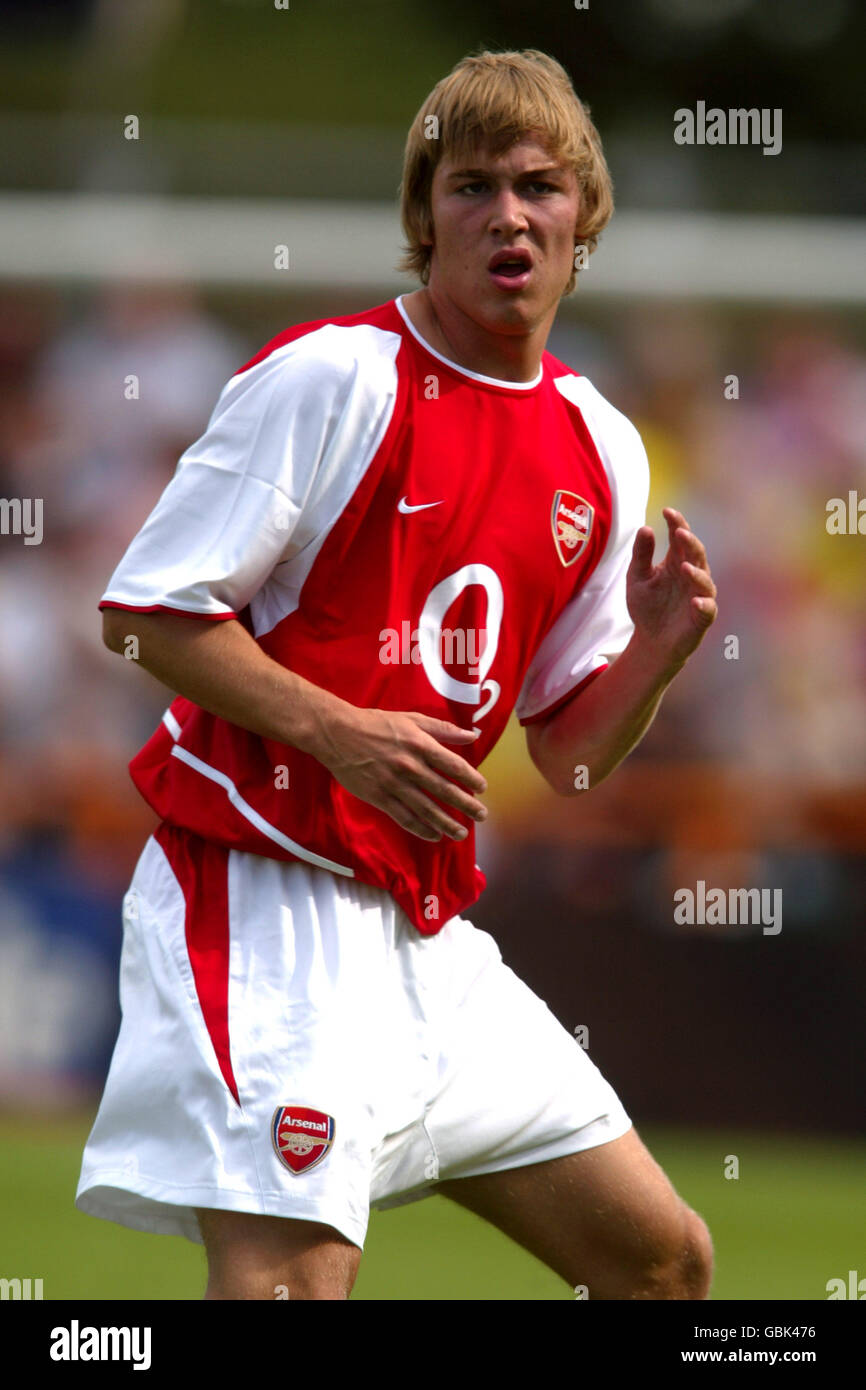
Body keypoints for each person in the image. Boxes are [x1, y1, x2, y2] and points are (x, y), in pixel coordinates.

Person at [77, 48, 718, 1300]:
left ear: (582, 216)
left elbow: (567, 754)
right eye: (469, 185)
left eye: (537, 185)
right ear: (423, 214)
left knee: (662, 1262)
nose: (506, 215)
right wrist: (340, 732)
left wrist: (652, 653)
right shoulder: (330, 377)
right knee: (288, 1290)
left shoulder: (600, 443)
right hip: (263, 895)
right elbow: (146, 614)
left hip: (424, 933)